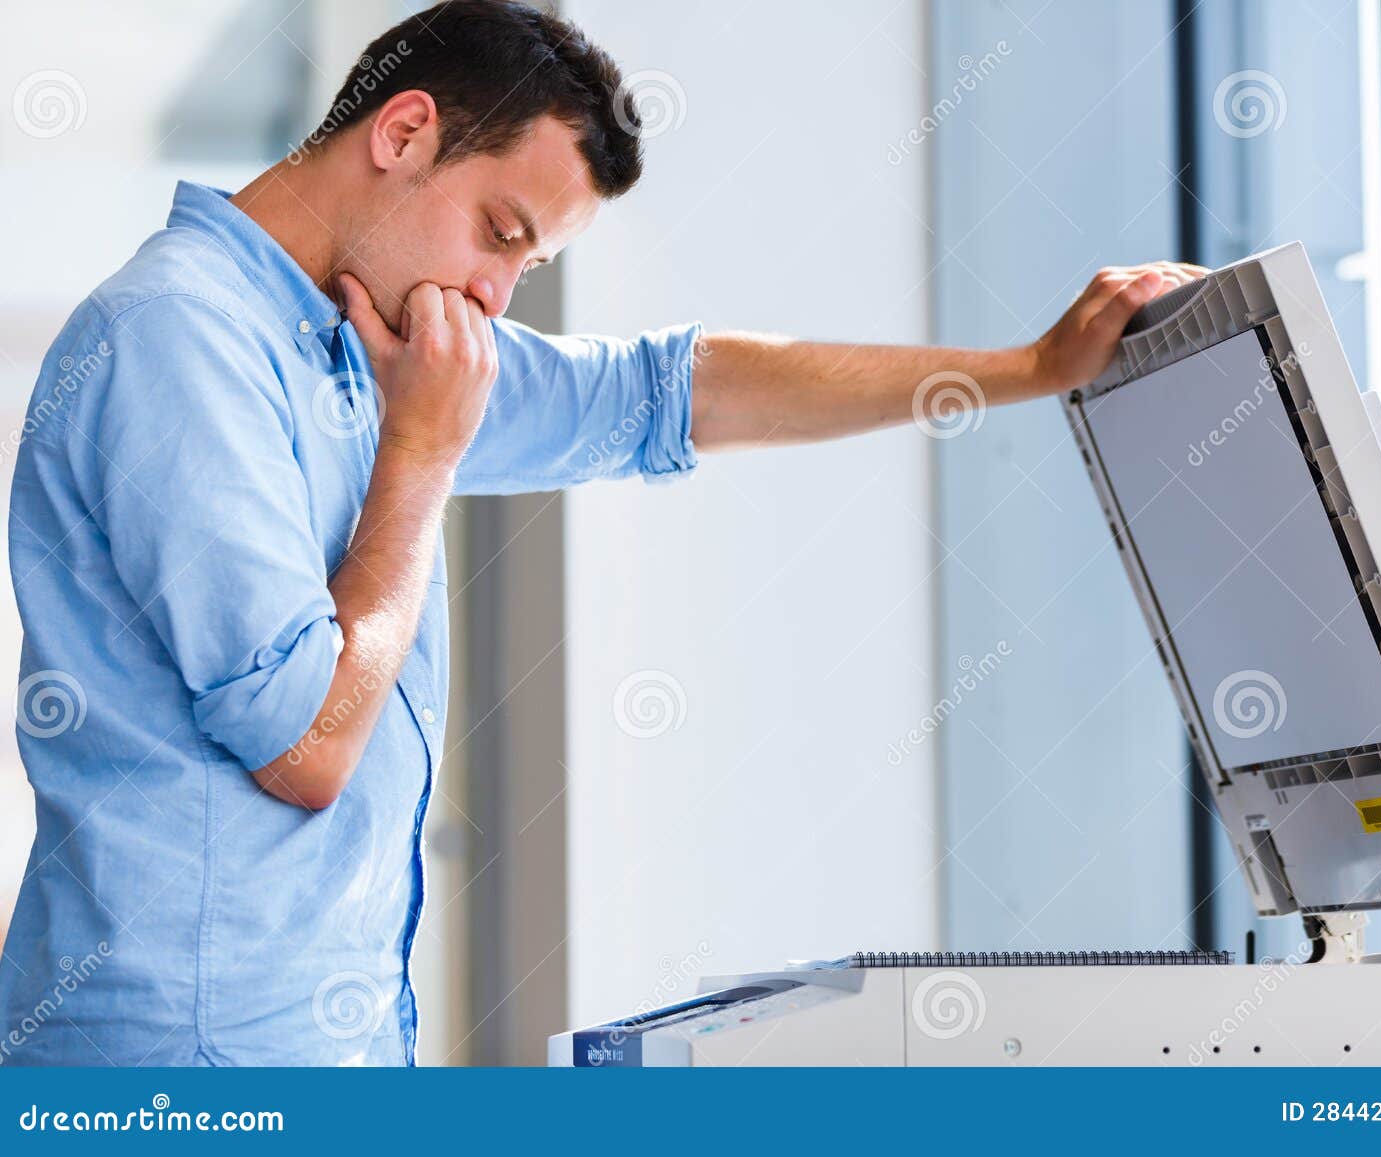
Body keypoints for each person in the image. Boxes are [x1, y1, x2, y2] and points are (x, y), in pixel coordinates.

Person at [0, 0, 1200, 1065]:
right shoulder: (178, 338)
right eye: (502, 232)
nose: (496, 294)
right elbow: (305, 744)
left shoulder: (371, 343)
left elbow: (671, 393)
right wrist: (423, 451)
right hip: (183, 1067)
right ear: (404, 132)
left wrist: (1029, 368)